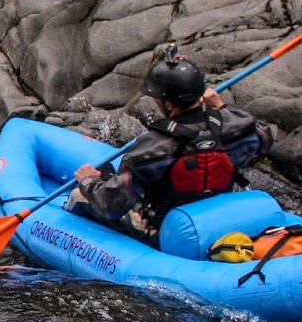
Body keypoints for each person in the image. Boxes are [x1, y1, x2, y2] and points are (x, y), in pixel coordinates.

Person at [66, 45, 274, 240]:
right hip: (217, 218)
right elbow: (264, 138)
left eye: (157, 99)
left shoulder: (153, 146)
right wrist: (220, 106)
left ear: (169, 103)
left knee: (79, 194)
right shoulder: (231, 127)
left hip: (167, 229)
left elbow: (112, 204)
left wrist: (89, 182)